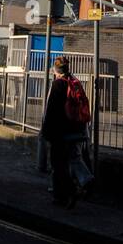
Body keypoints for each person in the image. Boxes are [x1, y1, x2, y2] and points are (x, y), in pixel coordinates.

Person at [40, 56, 90, 207]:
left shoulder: (57, 85)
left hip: (59, 132)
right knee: (71, 160)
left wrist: (46, 132)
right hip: (76, 130)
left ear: (55, 70)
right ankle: (78, 185)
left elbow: (52, 112)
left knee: (58, 164)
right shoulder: (75, 83)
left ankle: (63, 195)